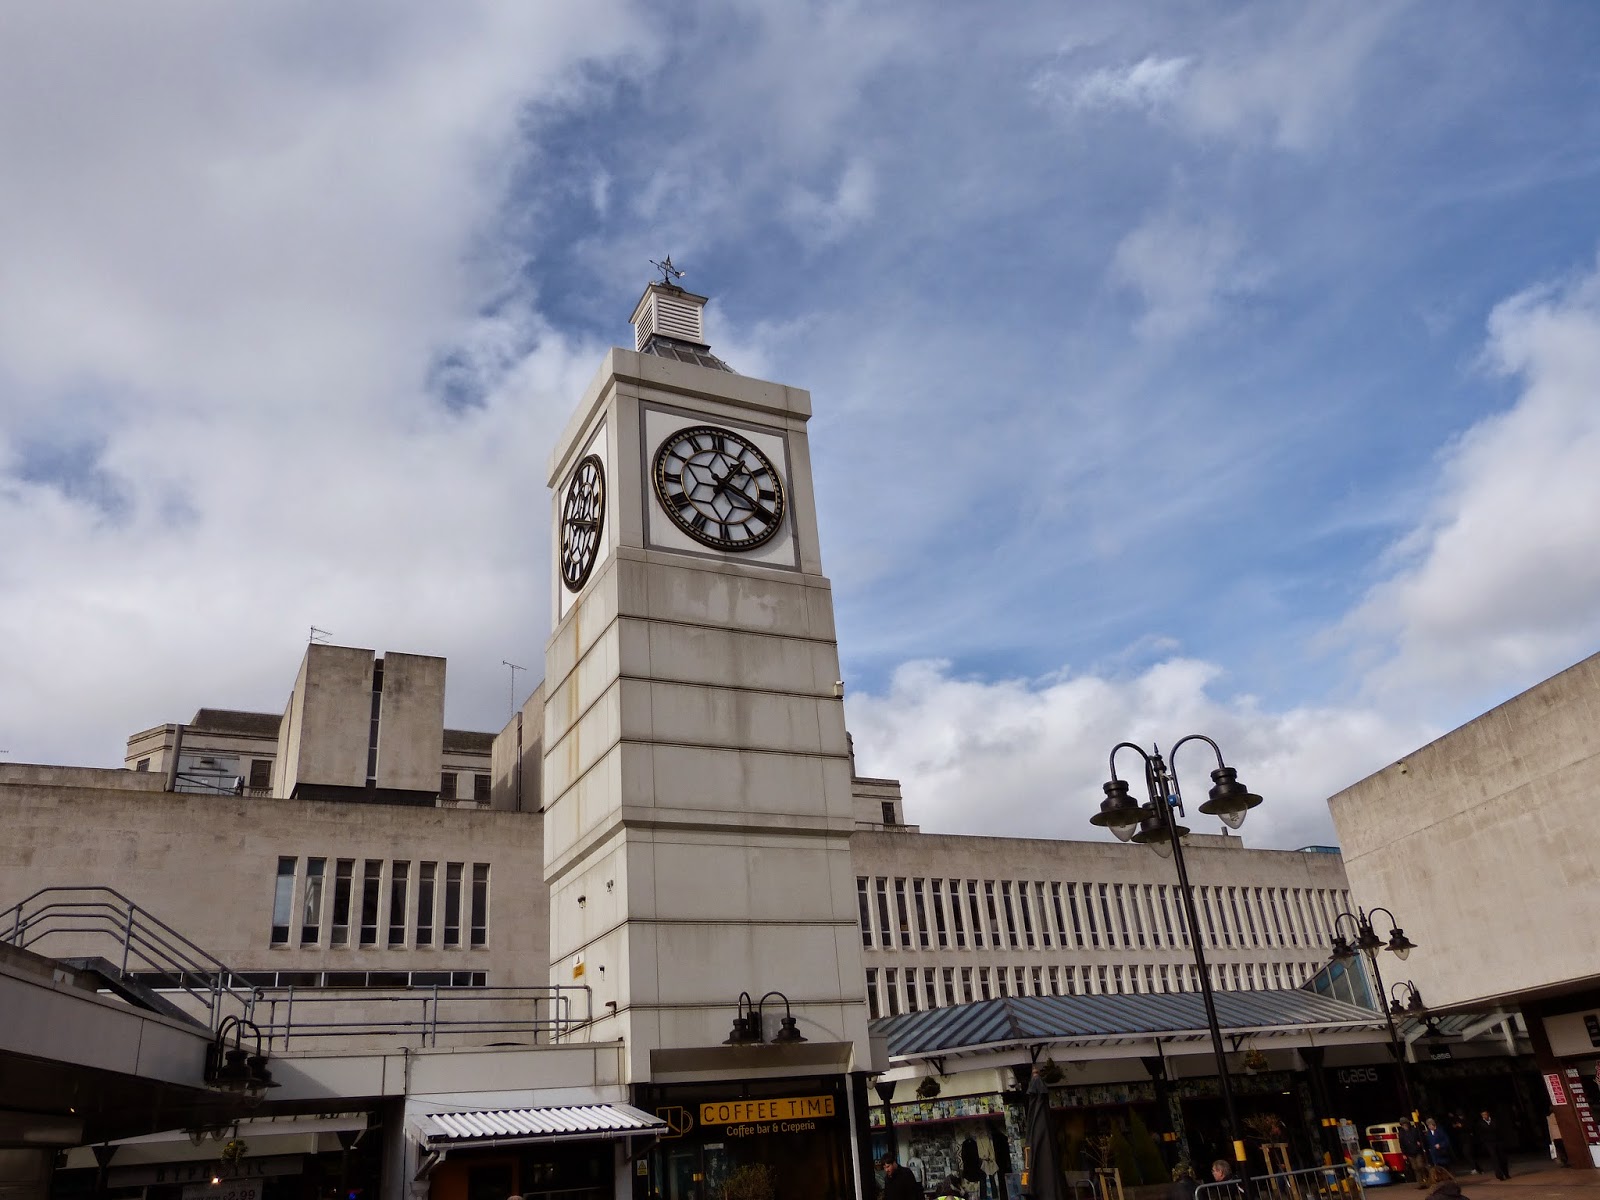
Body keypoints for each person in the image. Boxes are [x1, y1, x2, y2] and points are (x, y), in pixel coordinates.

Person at [1476, 1111, 1510, 1181]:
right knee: (1495, 1159)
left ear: (1488, 1114)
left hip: (1498, 1141)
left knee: (1502, 1158)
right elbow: (1480, 1134)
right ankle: (1499, 1175)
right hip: (1489, 1143)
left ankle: (1506, 1173)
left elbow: (1501, 1129)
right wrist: (1484, 1142)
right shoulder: (1480, 1123)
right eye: (1483, 1115)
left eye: (1485, 1114)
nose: (1484, 1116)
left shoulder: (1495, 1120)